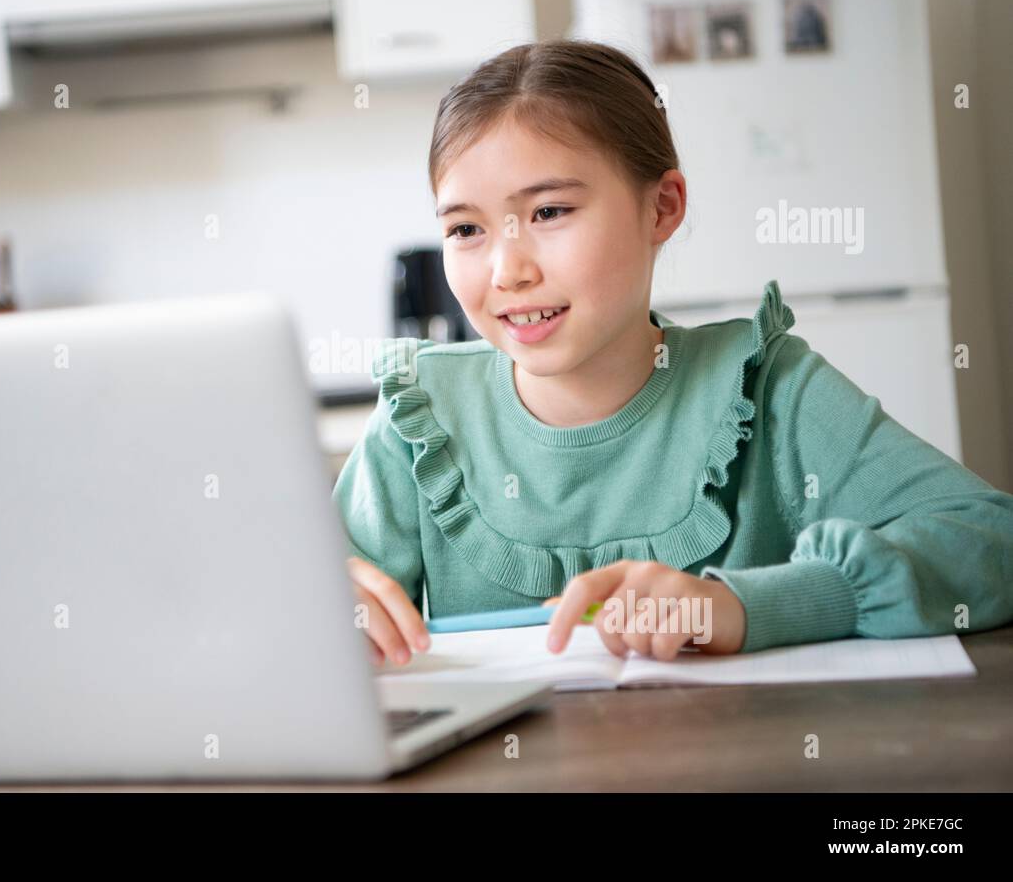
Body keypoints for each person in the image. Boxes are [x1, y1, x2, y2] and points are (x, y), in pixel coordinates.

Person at [333, 39, 1013, 666]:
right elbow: (278, 610)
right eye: (466, 228)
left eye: (549, 213)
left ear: (662, 207)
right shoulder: (414, 426)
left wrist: (743, 605)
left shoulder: (768, 390)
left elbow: (992, 540)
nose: (507, 270)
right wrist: (324, 608)